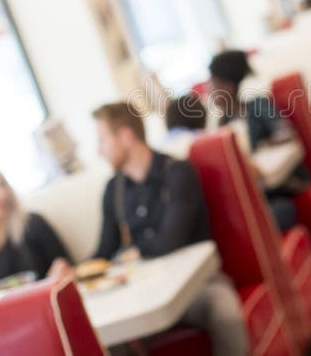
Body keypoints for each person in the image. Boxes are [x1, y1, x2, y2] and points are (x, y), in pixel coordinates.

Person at [91, 103, 248, 356]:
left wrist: (135, 250)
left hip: (194, 288)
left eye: (102, 140)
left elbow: (171, 240)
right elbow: (104, 251)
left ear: (126, 136)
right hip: (143, 296)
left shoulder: (177, 172)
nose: (99, 151)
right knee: (108, 341)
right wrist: (71, 271)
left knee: (223, 308)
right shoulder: (113, 190)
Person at [163, 94, 298, 231]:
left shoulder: (162, 152)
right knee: (285, 208)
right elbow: (254, 174)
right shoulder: (207, 143)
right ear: (201, 119)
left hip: (193, 230)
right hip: (233, 225)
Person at [209, 50, 311, 195]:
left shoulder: (258, 105)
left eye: (213, 85)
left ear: (228, 87)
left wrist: (262, 147)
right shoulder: (224, 123)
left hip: (282, 181)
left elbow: (286, 133)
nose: (209, 91)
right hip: (258, 187)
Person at [0, 165, 72, 293]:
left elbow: (65, 263)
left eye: (2, 184)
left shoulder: (33, 223)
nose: (1, 194)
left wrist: (62, 269)